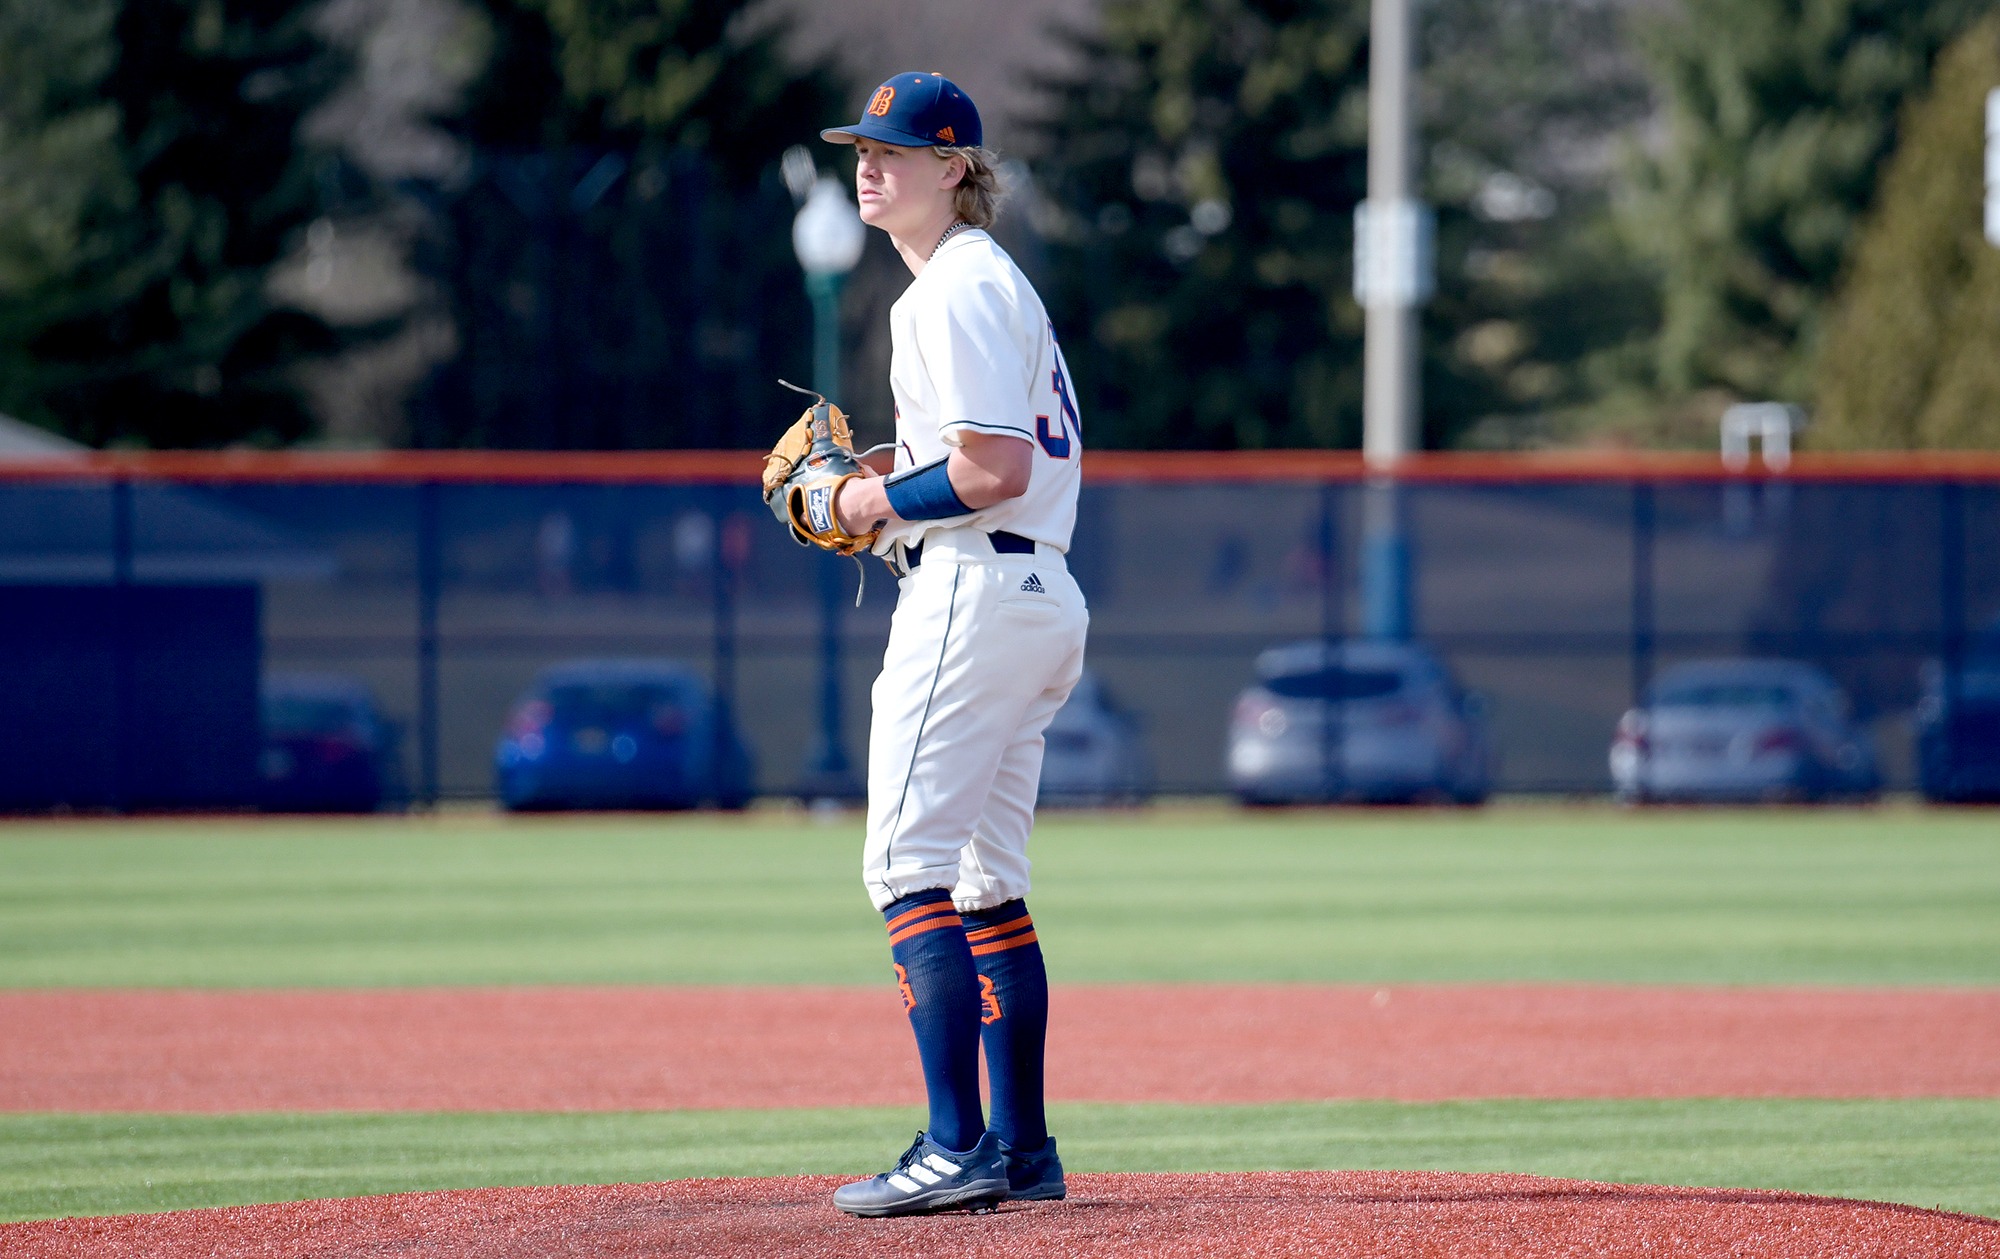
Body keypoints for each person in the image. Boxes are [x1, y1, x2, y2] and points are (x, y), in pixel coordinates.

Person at [816, 72, 1089, 1218]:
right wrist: (890, 471)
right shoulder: (984, 285)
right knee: (986, 881)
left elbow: (990, 471)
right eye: (860, 149)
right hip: (1030, 589)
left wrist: (864, 505)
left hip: (973, 594)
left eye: (895, 150)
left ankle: (952, 1140)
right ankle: (1020, 1150)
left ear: (956, 170)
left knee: (902, 866)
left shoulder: (951, 289)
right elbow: (983, 461)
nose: (869, 165)